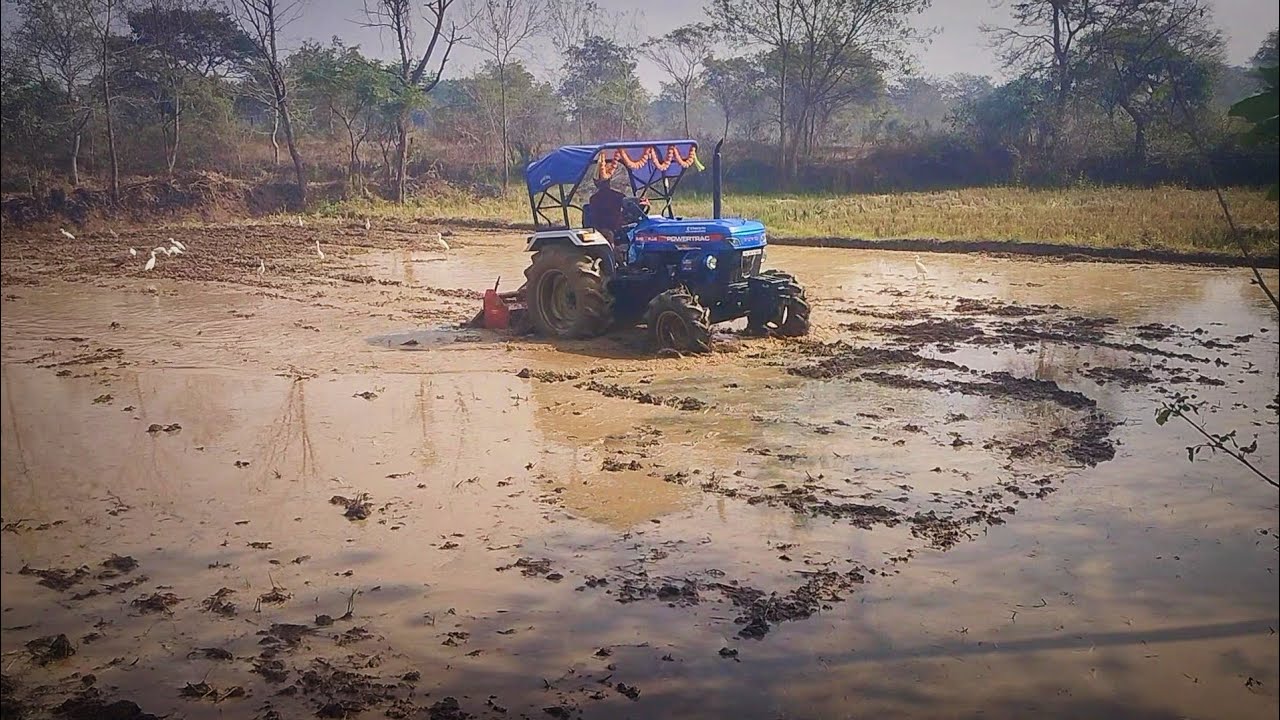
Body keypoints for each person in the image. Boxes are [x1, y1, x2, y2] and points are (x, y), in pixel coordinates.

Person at [588, 176, 625, 241]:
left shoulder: (619, 196)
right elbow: (594, 219)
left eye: (605, 181)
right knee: (609, 234)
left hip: (619, 228)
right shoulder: (594, 199)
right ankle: (613, 248)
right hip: (602, 229)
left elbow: (628, 209)